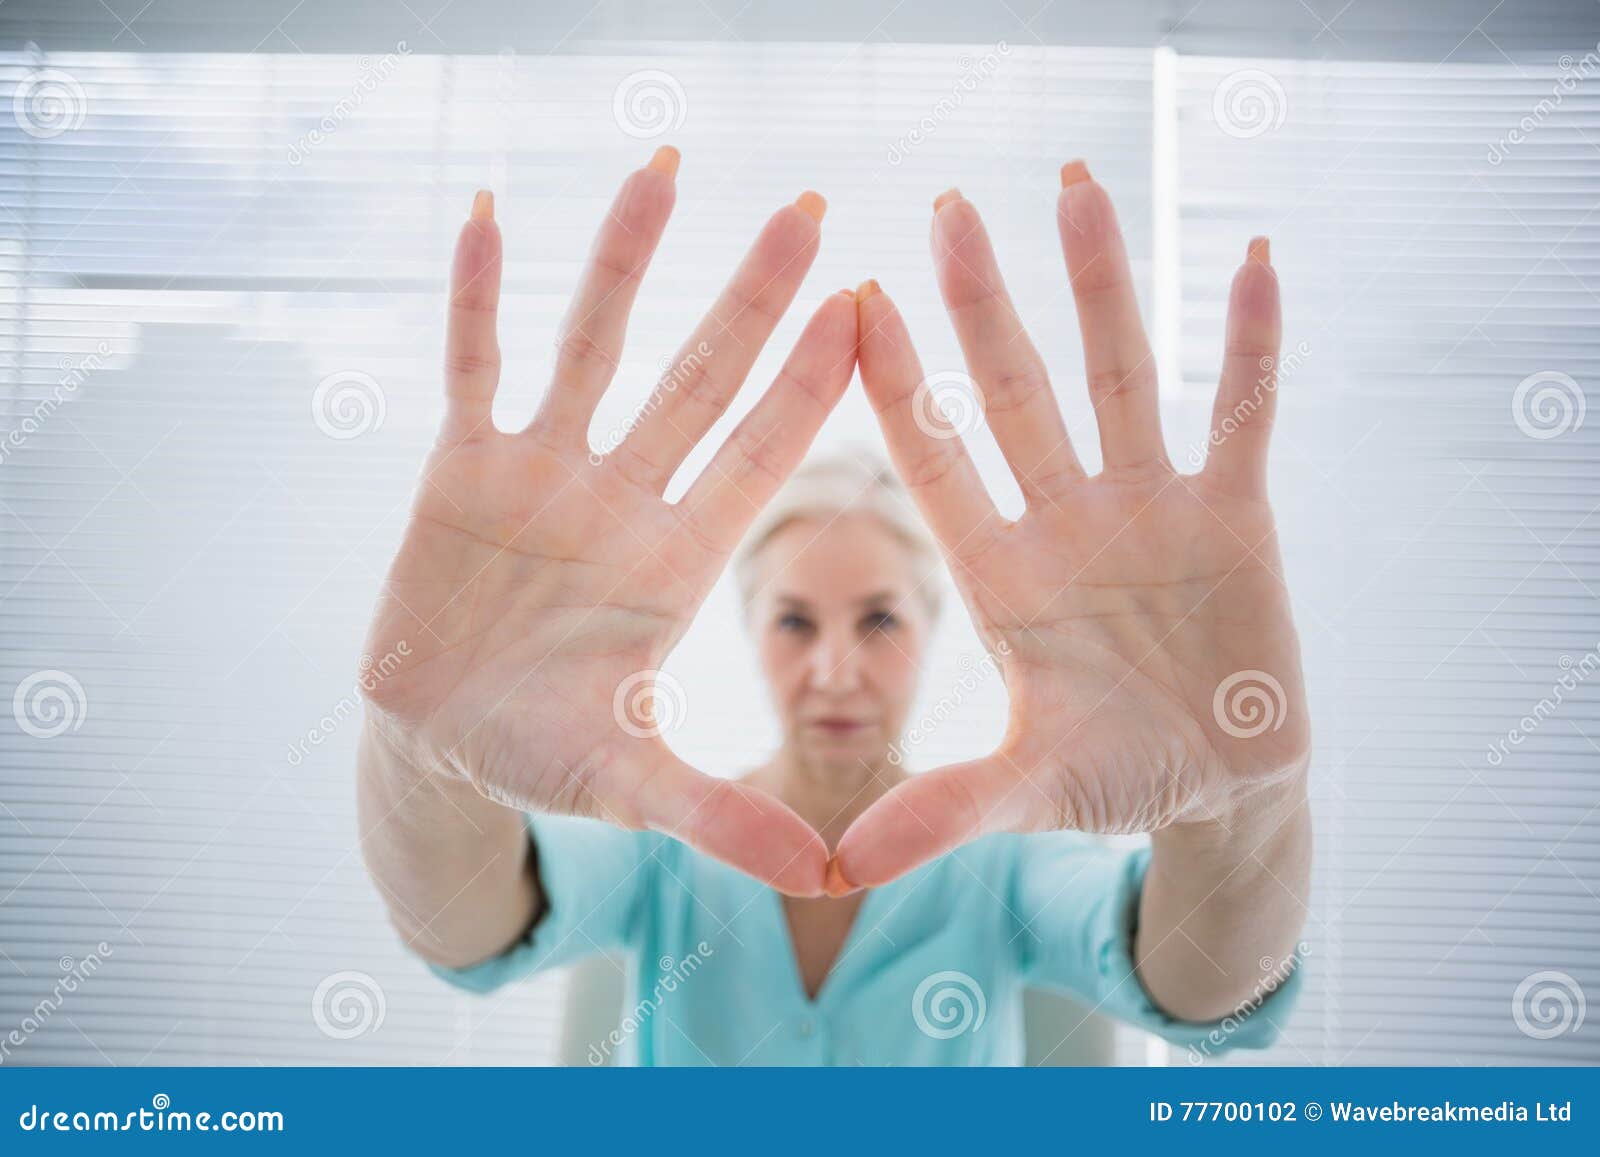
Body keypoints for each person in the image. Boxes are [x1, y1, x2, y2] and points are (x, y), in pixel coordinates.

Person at [355, 146, 1313, 1065]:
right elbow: (464, 926)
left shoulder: (1005, 867)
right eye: (795, 620)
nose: (836, 669)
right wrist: (417, 750)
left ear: (938, 625)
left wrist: (1239, 811)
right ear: (746, 628)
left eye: (880, 619)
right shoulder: (658, 850)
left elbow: (1204, 990)